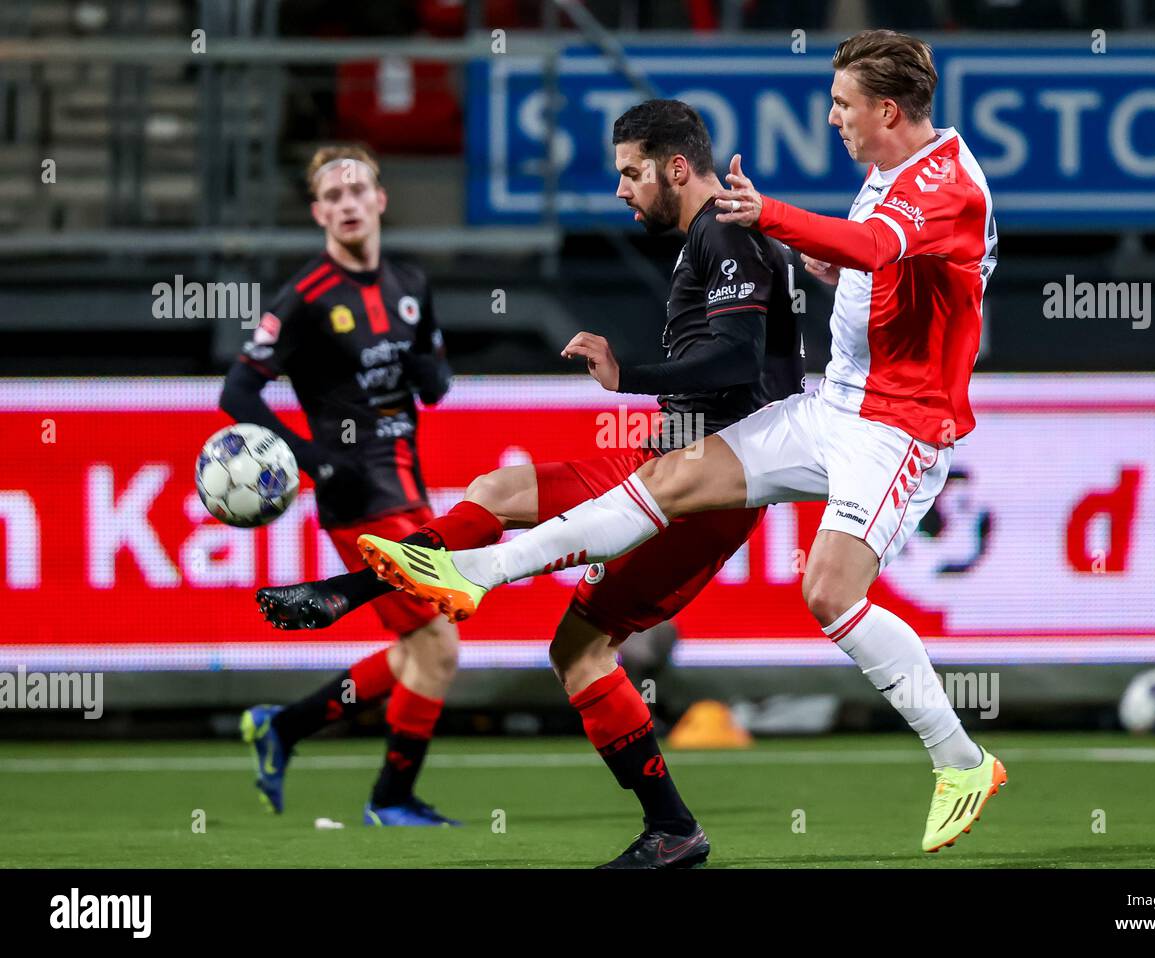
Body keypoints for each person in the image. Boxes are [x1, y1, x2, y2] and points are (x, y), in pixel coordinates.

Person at [359, 30, 1007, 854]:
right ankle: (480, 571)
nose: (833, 117)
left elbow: (880, 247)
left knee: (829, 594)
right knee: (667, 477)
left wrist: (771, 215)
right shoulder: (886, 171)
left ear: (887, 110)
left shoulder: (949, 180)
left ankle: (960, 760)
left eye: (844, 104)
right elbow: (886, 272)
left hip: (900, 427)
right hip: (833, 404)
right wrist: (835, 274)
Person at [260, 99, 804, 868]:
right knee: (509, 504)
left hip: (708, 485)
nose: (621, 189)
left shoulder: (725, 231)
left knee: (576, 637)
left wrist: (627, 374)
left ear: (675, 167)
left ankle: (673, 829)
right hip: (673, 460)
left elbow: (737, 362)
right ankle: (351, 592)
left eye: (630, 173)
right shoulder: (714, 235)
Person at [219, 144, 460, 826]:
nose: (348, 202)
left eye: (358, 190)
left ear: (380, 200)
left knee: (420, 645)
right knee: (439, 642)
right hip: (355, 495)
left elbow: (436, 381)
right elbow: (237, 389)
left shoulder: (411, 283)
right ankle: (390, 799)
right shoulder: (304, 297)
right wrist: (308, 459)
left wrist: (426, 372)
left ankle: (286, 727)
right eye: (333, 195)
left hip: (407, 482)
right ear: (320, 212)